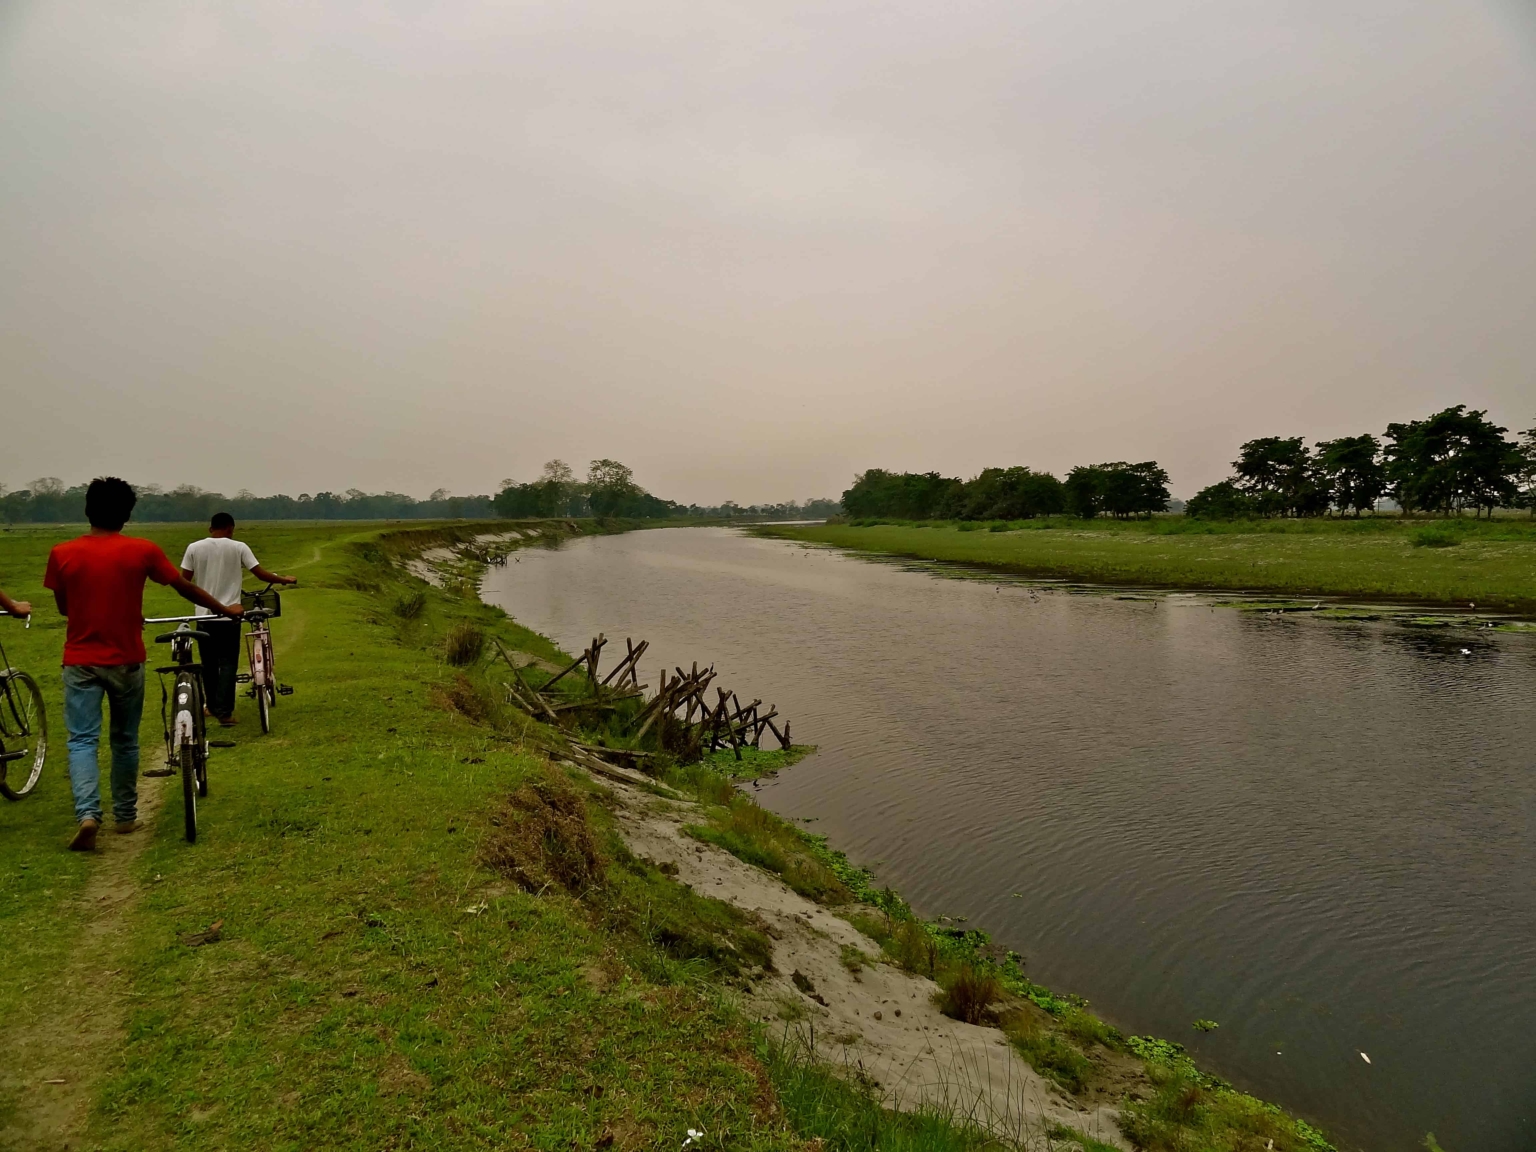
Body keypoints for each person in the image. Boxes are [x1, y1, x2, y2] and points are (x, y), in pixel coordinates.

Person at [43, 477, 242, 852]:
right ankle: (125, 814)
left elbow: (64, 607)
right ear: (128, 514)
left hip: (80, 661)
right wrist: (222, 609)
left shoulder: (62, 552)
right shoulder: (142, 550)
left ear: (87, 510)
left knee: (82, 739)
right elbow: (184, 588)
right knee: (124, 738)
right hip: (127, 659)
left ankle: (88, 814)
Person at [179, 513, 296, 726]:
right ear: (231, 529)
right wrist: (284, 580)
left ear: (210, 528)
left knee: (209, 664)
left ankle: (212, 707)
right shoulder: (239, 547)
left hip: (204, 617)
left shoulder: (193, 548)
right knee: (228, 664)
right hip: (229, 616)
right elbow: (260, 574)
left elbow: (183, 581)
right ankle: (224, 713)